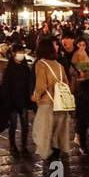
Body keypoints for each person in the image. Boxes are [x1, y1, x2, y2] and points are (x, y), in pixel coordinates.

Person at [32, 36, 75, 169]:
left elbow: (41, 85)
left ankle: (50, 175)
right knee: (57, 139)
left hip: (48, 105)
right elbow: (66, 84)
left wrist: (35, 96)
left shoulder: (41, 64)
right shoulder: (59, 65)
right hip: (61, 106)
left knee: (45, 137)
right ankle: (57, 176)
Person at [3, 43, 34, 156]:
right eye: (19, 52)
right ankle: (12, 146)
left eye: (22, 52)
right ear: (13, 53)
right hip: (12, 101)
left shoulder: (25, 68)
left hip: (23, 100)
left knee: (25, 125)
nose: (21, 54)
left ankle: (24, 146)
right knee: (13, 124)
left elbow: (29, 84)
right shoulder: (9, 69)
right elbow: (6, 87)